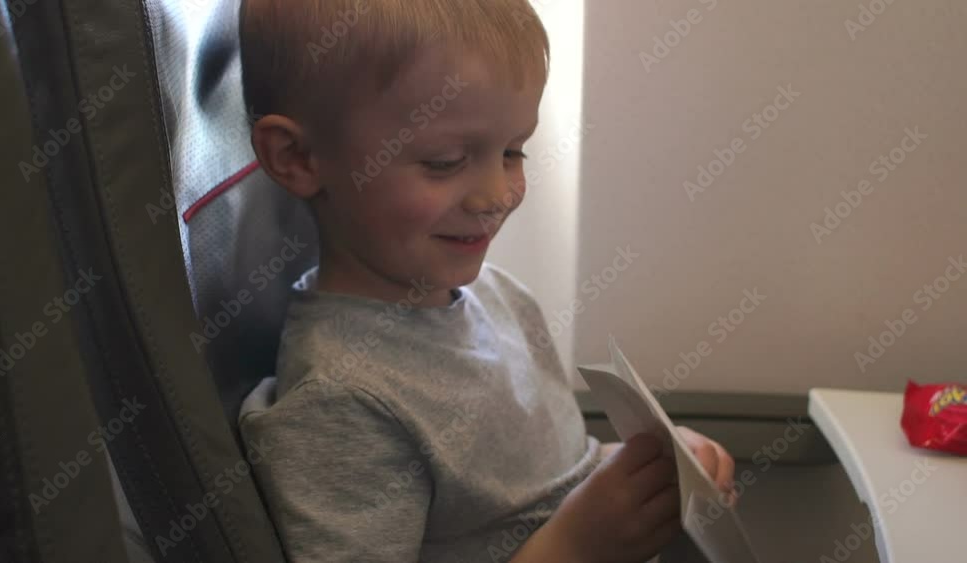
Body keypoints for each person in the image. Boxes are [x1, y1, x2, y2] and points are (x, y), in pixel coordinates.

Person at [237, 1, 735, 561]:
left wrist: (638, 475)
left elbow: (532, 488)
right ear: (298, 157)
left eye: (512, 151)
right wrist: (572, 547)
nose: (497, 195)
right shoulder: (339, 406)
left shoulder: (497, 296)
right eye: (446, 161)